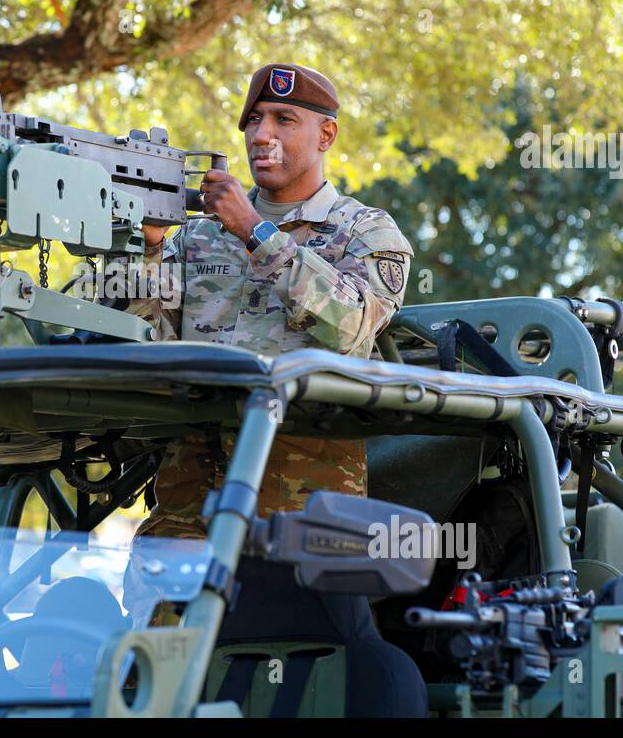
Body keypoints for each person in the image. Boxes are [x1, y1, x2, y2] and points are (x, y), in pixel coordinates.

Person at [123, 62, 415, 540]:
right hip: (190, 505)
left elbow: (352, 326)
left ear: (326, 135)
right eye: (254, 120)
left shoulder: (366, 232)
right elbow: (147, 337)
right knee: (163, 616)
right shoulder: (197, 234)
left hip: (303, 513)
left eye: (283, 119)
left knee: (289, 618)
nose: (261, 135)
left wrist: (257, 234)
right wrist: (150, 246)